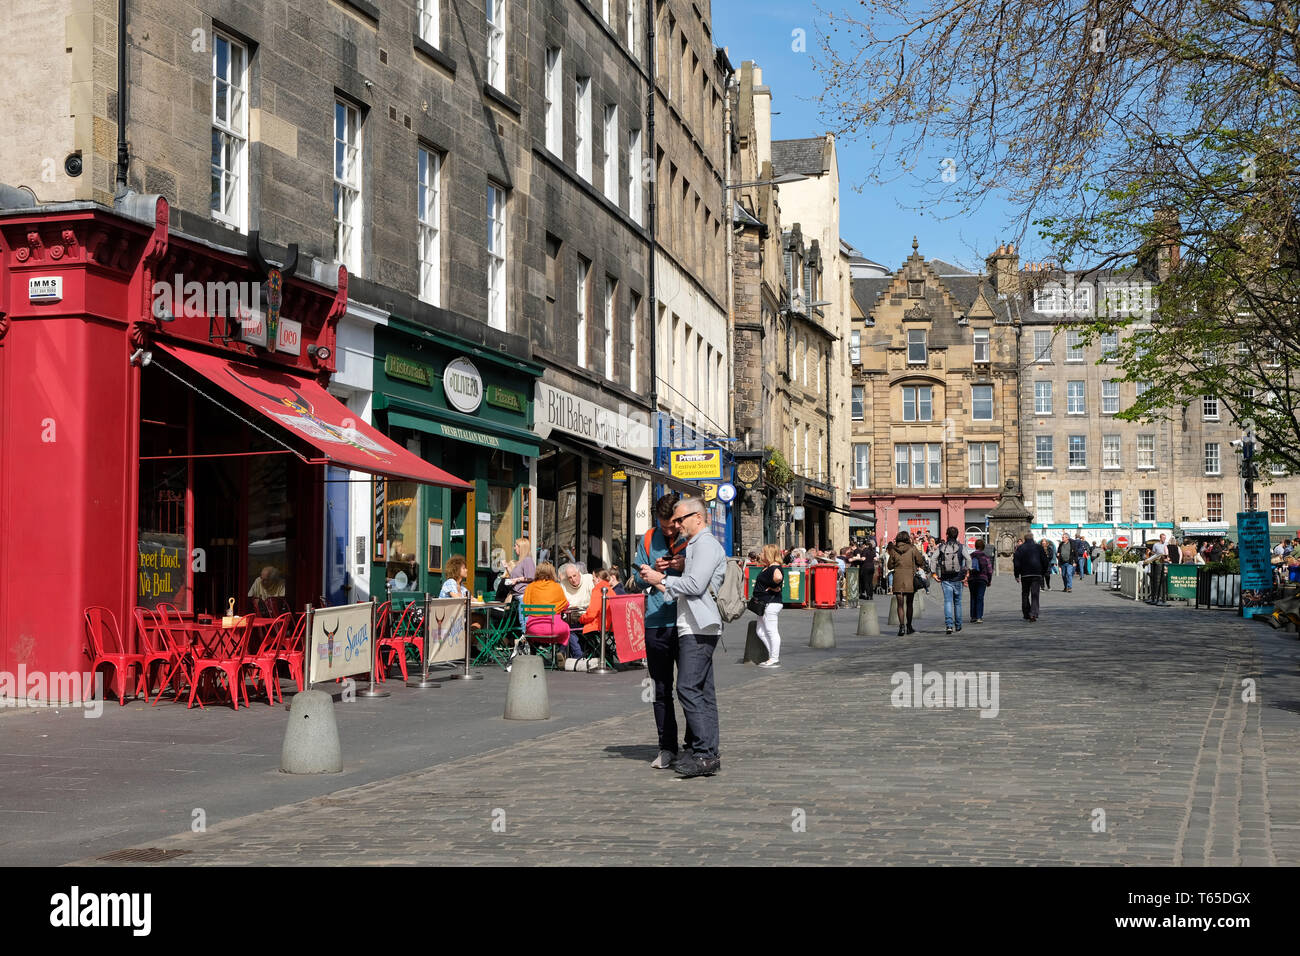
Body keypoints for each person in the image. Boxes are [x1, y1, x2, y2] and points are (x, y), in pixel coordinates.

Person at [638, 497, 727, 779]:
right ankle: (700, 751)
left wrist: (663, 579)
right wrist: (655, 574)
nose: (676, 526)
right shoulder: (686, 544)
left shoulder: (703, 544)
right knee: (696, 689)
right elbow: (638, 577)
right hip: (677, 622)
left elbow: (696, 584)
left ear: (696, 518)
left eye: (679, 520)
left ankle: (701, 751)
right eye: (671, 522)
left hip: (696, 625)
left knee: (688, 688)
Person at [630, 493, 691, 770]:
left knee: (690, 688)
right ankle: (667, 747)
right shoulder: (646, 539)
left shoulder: (691, 537)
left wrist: (682, 566)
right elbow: (632, 583)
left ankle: (693, 745)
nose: (669, 531)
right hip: (656, 621)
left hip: (688, 622)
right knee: (661, 689)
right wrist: (649, 574)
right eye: (664, 526)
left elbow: (706, 574)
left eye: (672, 525)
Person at [521, 562, 569, 659]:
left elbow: (526, 608)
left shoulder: (530, 587)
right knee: (567, 629)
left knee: (532, 636)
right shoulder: (556, 587)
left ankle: (533, 656)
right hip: (553, 628)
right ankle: (561, 651)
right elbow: (565, 604)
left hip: (533, 629)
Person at [929, 526, 969, 634]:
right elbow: (968, 559)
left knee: (947, 601)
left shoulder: (942, 547)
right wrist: (967, 573)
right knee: (958, 602)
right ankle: (959, 625)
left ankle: (949, 625)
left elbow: (933, 559)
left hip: (945, 578)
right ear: (957, 535)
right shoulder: (961, 547)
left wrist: (933, 573)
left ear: (947, 535)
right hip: (958, 578)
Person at [752, 544, 785, 668]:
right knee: (760, 631)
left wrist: (774, 585)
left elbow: (778, 577)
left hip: (770, 603)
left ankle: (774, 658)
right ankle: (772, 655)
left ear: (769, 554)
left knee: (771, 631)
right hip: (764, 603)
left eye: (763, 552)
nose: (760, 554)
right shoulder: (768, 567)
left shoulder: (774, 567)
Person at [889, 531, 927, 636]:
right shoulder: (912, 548)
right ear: (907, 539)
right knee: (909, 604)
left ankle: (901, 627)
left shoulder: (894, 550)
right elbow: (920, 561)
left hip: (898, 579)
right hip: (910, 578)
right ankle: (909, 626)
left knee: (900, 605)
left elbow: (889, 566)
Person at [557, 562, 594, 658]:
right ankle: (577, 656)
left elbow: (594, 600)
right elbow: (562, 603)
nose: (573, 579)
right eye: (570, 577)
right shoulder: (563, 584)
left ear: (579, 573)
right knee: (566, 627)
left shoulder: (589, 579)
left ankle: (569, 653)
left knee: (569, 629)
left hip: (587, 615)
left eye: (575, 576)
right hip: (570, 617)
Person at [1014, 531, 1049, 622]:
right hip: (1036, 574)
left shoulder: (1020, 548)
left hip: (1025, 574)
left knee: (1025, 594)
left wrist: (1016, 575)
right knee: (1035, 594)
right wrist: (1043, 571)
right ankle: (1033, 613)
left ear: (1025, 539)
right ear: (1032, 538)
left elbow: (1016, 563)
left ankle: (1026, 613)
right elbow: (1045, 560)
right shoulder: (1039, 547)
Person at [503, 538, 537, 629]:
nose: (514, 548)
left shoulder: (527, 560)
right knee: (523, 621)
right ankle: (526, 641)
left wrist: (517, 580)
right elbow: (514, 577)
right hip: (518, 596)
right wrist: (507, 567)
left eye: (516, 546)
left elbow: (531, 577)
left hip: (524, 595)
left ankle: (527, 642)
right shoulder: (521, 561)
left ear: (521, 547)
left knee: (524, 622)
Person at [968, 539, 993, 623]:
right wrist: (989, 580)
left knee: (973, 597)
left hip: (972, 579)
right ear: (983, 546)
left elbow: (965, 567)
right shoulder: (985, 557)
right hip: (982, 579)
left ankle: (973, 616)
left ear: (975, 546)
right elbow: (989, 570)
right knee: (980, 597)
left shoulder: (970, 556)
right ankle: (979, 617)